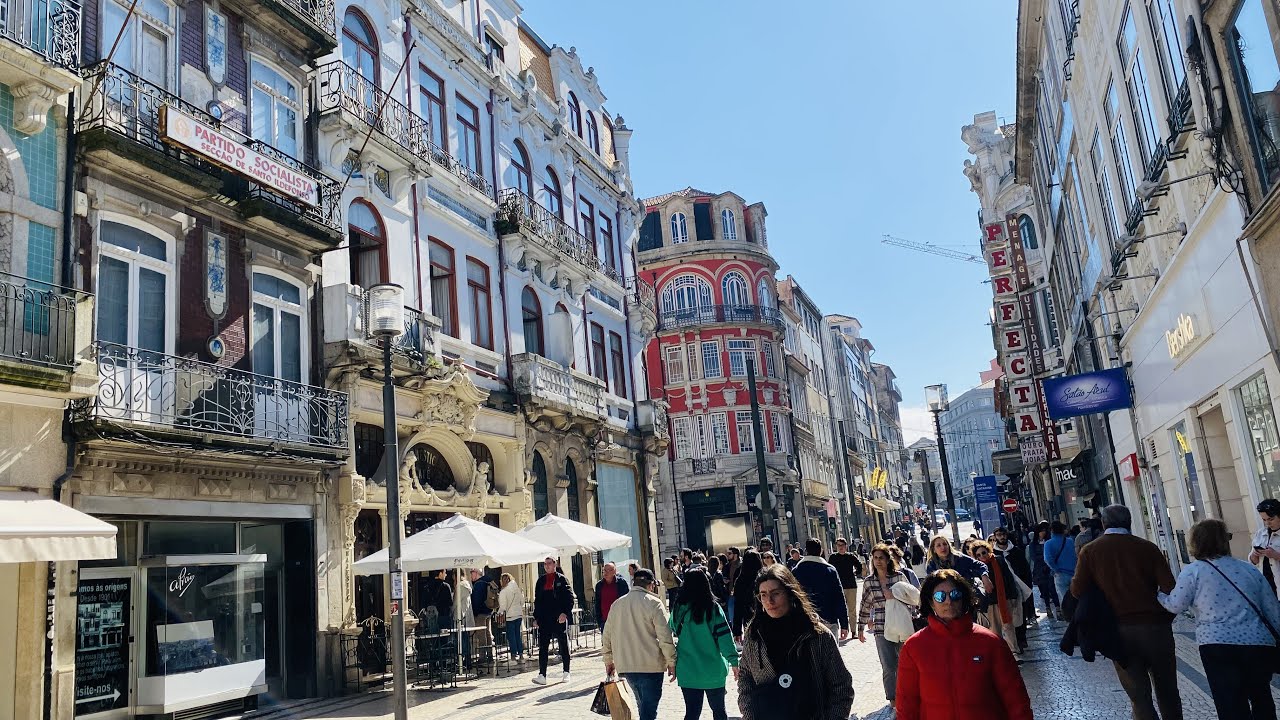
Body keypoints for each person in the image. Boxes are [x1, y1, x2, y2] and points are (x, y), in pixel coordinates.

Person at [1159, 518, 1280, 720]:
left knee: (1229, 700)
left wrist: (1158, 595)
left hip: (1217, 643)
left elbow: (1176, 605)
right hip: (1257, 643)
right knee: (1261, 696)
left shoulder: (1193, 571)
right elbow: (1272, 610)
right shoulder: (1248, 569)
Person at [1071, 504, 1181, 720]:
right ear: (1129, 522)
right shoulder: (1148, 547)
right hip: (1155, 629)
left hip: (1118, 632)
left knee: (1138, 696)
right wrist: (1164, 616)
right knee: (1167, 690)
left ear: (1104, 524)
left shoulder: (1091, 550)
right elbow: (1170, 587)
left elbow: (1077, 590)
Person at [895, 569, 1033, 720]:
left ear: (964, 598)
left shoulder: (991, 643)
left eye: (955, 594)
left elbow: (1015, 697)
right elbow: (907, 702)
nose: (948, 601)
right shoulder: (914, 647)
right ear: (931, 602)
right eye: (940, 596)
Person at [737, 564, 854, 720]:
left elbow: (841, 686)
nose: (769, 601)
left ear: (790, 593)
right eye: (763, 595)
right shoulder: (754, 635)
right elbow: (745, 678)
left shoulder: (817, 635)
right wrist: (750, 715)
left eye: (775, 593)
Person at [601, 568, 676, 720]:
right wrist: (671, 661)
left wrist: (608, 661)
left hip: (626, 666)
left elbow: (606, 636)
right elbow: (665, 636)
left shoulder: (617, 604)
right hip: (651, 665)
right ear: (651, 585)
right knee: (648, 710)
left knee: (643, 706)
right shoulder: (654, 603)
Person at [669, 568, 739, 720]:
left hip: (687, 670)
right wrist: (734, 661)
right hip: (713, 670)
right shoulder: (713, 608)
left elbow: (672, 629)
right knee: (719, 712)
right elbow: (725, 638)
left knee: (692, 713)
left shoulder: (678, 608)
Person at [857, 543, 916, 709]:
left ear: (888, 560)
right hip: (881, 628)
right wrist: (860, 627)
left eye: (881, 558)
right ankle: (893, 701)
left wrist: (895, 597)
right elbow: (865, 604)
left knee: (906, 663)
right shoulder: (869, 582)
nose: (878, 561)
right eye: (875, 558)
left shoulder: (898, 577)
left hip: (901, 626)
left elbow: (912, 599)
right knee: (888, 666)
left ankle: (909, 695)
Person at [971, 539, 1025, 656]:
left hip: (1004, 600)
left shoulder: (999, 560)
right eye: (978, 555)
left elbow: (1009, 579)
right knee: (995, 630)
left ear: (988, 550)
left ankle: (1014, 652)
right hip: (990, 603)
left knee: (1008, 627)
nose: (982, 556)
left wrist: (1013, 596)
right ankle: (1000, 654)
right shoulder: (976, 567)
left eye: (984, 553)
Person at [791, 538, 850, 639]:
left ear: (806, 551)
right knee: (832, 653)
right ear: (821, 551)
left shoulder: (796, 571)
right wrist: (844, 624)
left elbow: (792, 598)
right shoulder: (830, 570)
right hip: (829, 619)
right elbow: (839, 598)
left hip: (805, 621)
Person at [531, 556, 575, 685]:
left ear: (554, 564)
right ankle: (542, 674)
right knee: (543, 647)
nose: (546, 566)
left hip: (558, 617)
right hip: (544, 619)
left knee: (563, 644)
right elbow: (537, 601)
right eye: (545, 564)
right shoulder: (540, 581)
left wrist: (565, 613)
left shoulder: (562, 579)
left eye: (549, 563)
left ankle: (566, 672)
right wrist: (536, 618)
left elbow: (569, 598)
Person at [926, 535, 991, 599]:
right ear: (934, 549)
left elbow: (980, 565)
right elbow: (931, 585)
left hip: (966, 594)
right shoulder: (931, 565)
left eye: (945, 544)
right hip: (946, 598)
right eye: (938, 545)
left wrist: (985, 577)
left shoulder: (959, 558)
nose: (943, 547)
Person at [828, 537, 864, 631]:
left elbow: (859, 565)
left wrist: (856, 573)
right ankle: (842, 629)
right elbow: (829, 570)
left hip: (851, 585)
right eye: (839, 545)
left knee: (852, 610)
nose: (841, 547)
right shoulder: (833, 557)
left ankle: (853, 630)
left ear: (846, 546)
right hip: (838, 586)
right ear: (836, 546)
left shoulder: (850, 556)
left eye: (842, 545)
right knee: (838, 609)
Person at [1028, 521, 1062, 620]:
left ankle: (1058, 608)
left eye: (1044, 531)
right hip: (1039, 571)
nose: (1043, 533)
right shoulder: (1033, 544)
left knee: (1053, 588)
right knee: (1044, 590)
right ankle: (1048, 608)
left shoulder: (1049, 542)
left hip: (1050, 569)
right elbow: (1033, 557)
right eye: (1041, 531)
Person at [1250, 498, 1280, 600]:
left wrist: (1276, 555)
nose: (1267, 523)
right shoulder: (1260, 533)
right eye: (1264, 520)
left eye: (1270, 519)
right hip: (1266, 585)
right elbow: (1253, 562)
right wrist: (1255, 554)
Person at [731, 549, 763, 640]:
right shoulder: (763, 577)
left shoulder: (740, 580)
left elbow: (738, 606)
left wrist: (737, 630)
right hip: (765, 613)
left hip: (748, 617)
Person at [1044, 521, 1077, 603]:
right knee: (1077, 599)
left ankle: (1069, 615)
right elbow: (1076, 556)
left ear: (1051, 531)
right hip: (1074, 573)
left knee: (1065, 601)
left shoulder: (1048, 544)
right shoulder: (1070, 541)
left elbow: (1048, 559)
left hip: (1060, 575)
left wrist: (1055, 569)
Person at [497, 573, 526, 663]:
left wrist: (498, 613)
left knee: (511, 637)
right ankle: (521, 655)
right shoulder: (517, 589)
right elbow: (522, 601)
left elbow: (503, 607)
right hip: (518, 614)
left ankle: (513, 655)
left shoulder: (503, 592)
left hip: (510, 616)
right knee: (518, 635)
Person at [594, 562, 630, 630]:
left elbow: (627, 601)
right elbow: (597, 603)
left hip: (620, 620)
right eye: (604, 570)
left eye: (608, 570)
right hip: (605, 621)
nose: (605, 573)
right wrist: (599, 621)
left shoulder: (621, 583)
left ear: (614, 571)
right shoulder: (599, 585)